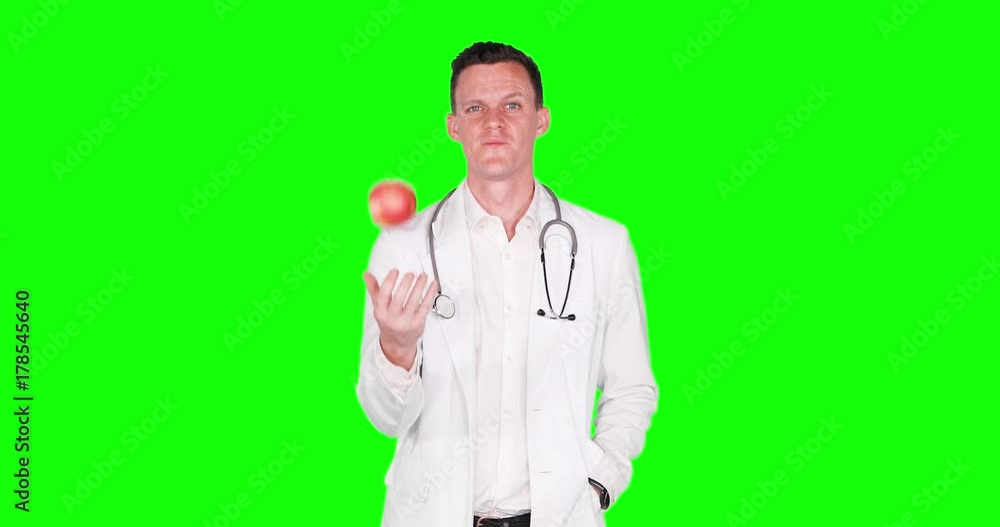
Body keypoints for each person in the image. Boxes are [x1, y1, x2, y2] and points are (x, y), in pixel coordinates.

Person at [358, 41, 658, 527]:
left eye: (511, 105)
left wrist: (601, 483)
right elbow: (386, 418)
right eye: (474, 108)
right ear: (453, 126)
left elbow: (631, 386)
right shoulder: (405, 247)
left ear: (541, 119)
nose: (492, 121)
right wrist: (396, 349)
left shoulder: (604, 243)